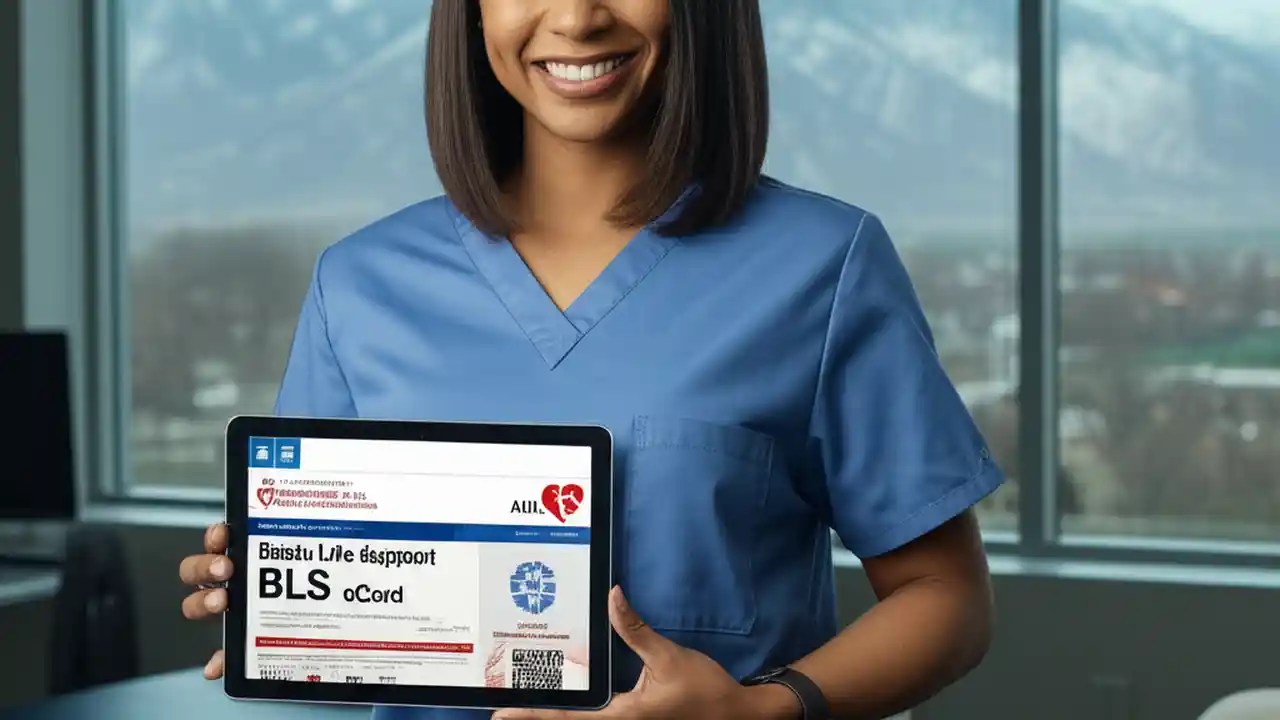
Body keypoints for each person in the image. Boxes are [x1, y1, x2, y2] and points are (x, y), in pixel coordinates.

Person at [177, 1, 1005, 718]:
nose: (576, 19)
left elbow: (948, 598)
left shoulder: (823, 266)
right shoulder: (359, 286)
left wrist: (766, 710)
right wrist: (286, 613)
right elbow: (378, 646)